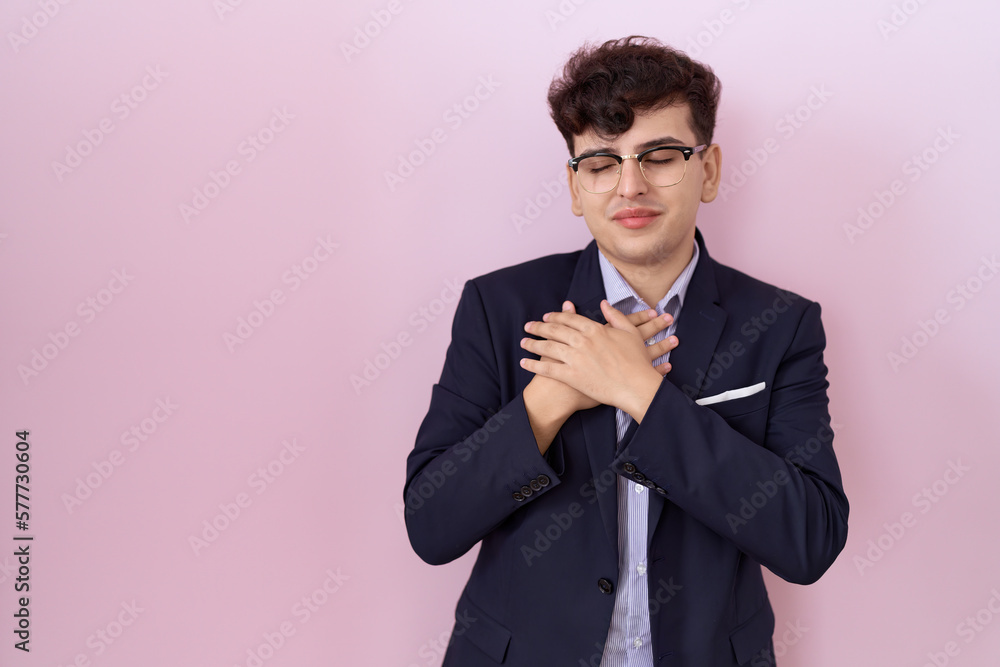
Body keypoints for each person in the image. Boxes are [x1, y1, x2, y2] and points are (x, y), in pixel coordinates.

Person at [403, 35, 848, 666]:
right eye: (601, 162)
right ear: (574, 184)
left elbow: (811, 539)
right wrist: (553, 397)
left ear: (710, 169)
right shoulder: (497, 306)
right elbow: (431, 524)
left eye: (660, 155)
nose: (629, 186)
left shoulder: (782, 325)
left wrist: (639, 392)